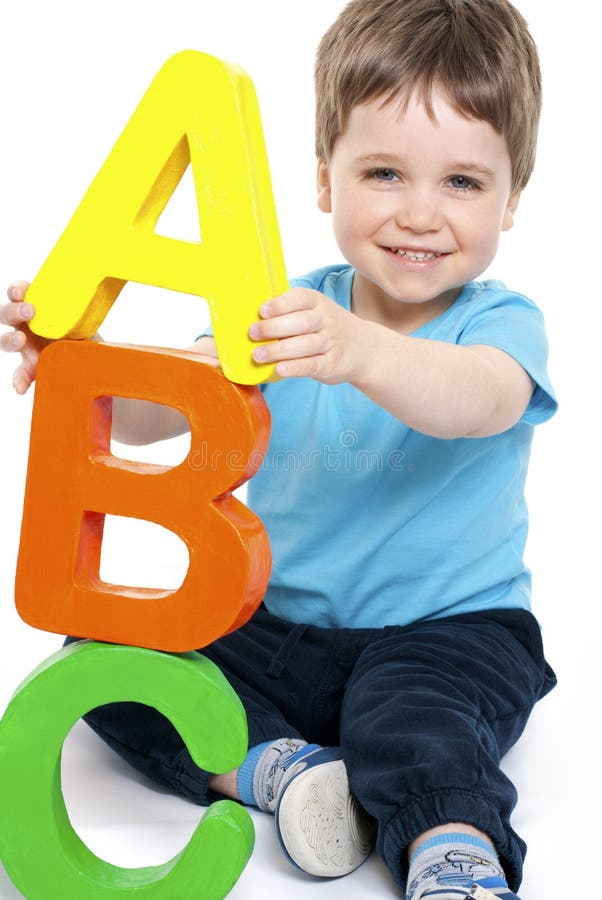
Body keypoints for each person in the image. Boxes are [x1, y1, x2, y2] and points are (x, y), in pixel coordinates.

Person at [0, 1, 558, 898]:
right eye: (384, 172)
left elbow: (480, 402)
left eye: (462, 182)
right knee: (107, 659)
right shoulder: (281, 308)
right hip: (274, 627)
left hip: (450, 634)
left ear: (512, 198)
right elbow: (170, 404)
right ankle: (279, 771)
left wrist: (364, 352)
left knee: (412, 727)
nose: (421, 214)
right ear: (326, 181)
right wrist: (69, 365)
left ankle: (452, 854)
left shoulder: (499, 322)